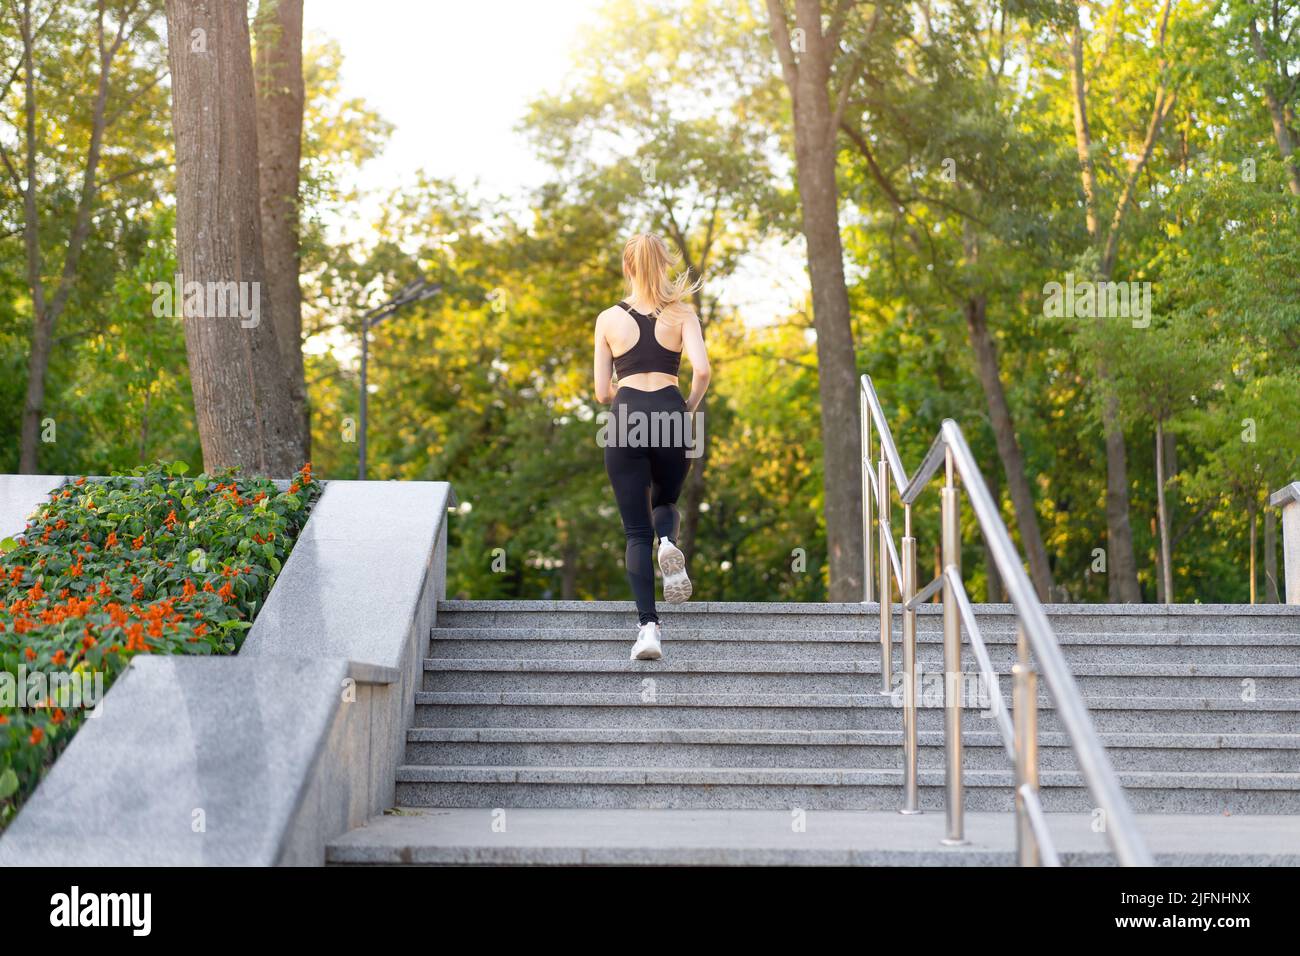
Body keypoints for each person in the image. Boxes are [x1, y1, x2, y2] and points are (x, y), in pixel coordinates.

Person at [593, 233, 710, 660]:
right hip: (670, 412)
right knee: (666, 501)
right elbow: (702, 370)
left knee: (633, 531)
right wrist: (686, 408)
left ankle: (648, 629)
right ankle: (668, 541)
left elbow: (601, 392)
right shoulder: (683, 314)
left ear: (628, 267)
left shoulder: (608, 319)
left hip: (626, 418)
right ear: (664, 265)